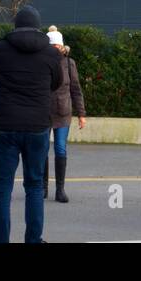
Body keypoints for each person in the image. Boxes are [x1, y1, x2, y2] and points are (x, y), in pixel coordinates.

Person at [0, 4, 63, 242]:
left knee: (2, 190)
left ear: (15, 25)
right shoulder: (50, 54)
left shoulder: (0, 50)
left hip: (5, 126)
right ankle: (33, 239)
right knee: (35, 187)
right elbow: (56, 83)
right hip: (37, 127)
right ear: (39, 26)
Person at [42, 27, 85, 203]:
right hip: (43, 112)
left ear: (61, 47)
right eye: (52, 47)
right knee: (42, 150)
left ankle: (60, 190)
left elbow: (76, 90)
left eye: (57, 47)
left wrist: (81, 113)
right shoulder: (40, 61)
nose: (56, 50)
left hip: (63, 112)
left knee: (60, 149)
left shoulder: (69, 63)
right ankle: (42, 187)